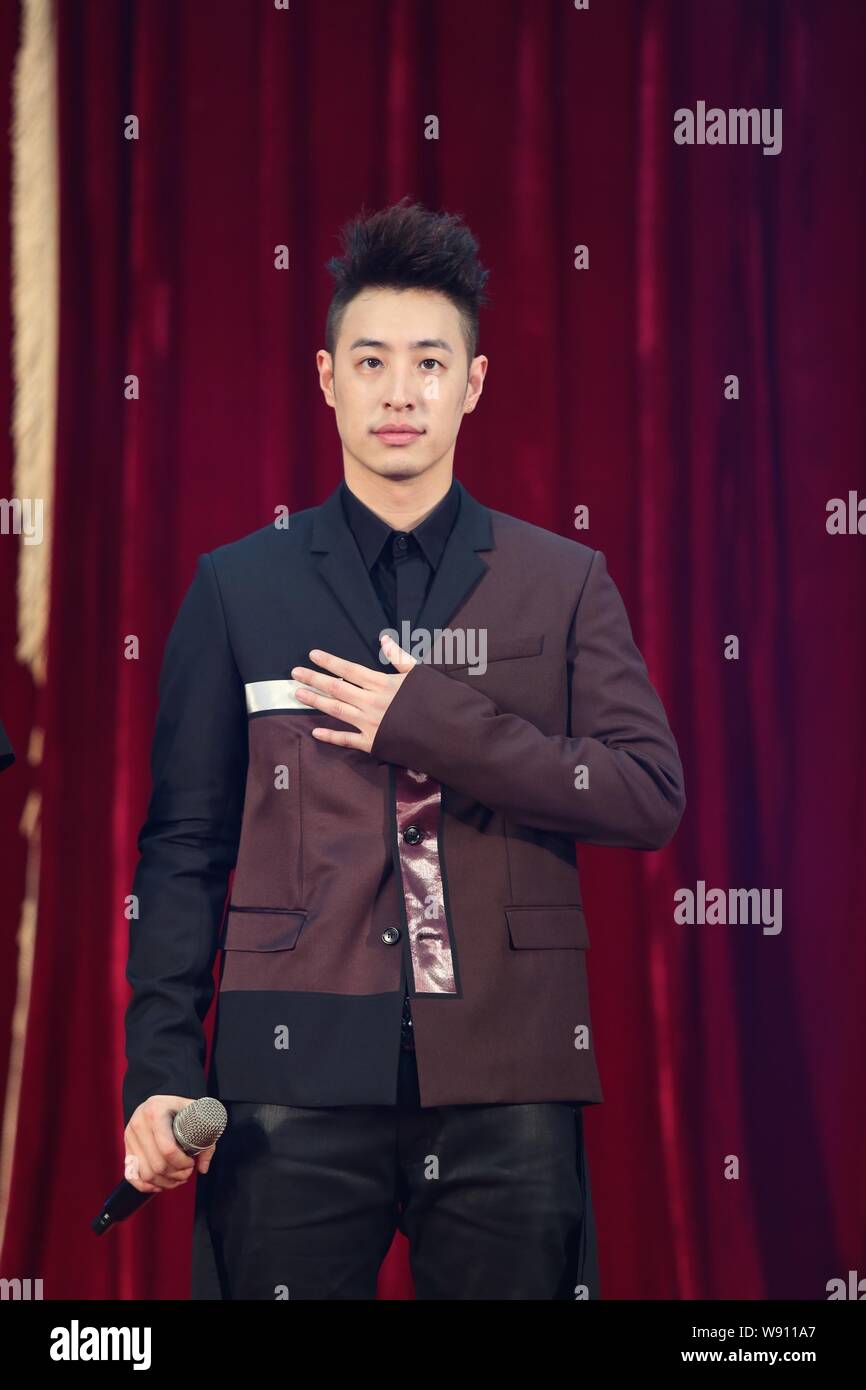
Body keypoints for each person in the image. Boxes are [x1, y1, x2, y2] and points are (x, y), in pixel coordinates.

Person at [122, 197, 686, 1300]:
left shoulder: (560, 581)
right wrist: (156, 1070)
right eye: (369, 359)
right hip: (289, 1081)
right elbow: (183, 848)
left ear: (471, 383)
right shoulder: (239, 586)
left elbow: (645, 791)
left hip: (508, 1078)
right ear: (325, 376)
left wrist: (434, 721)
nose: (398, 390)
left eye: (429, 361)